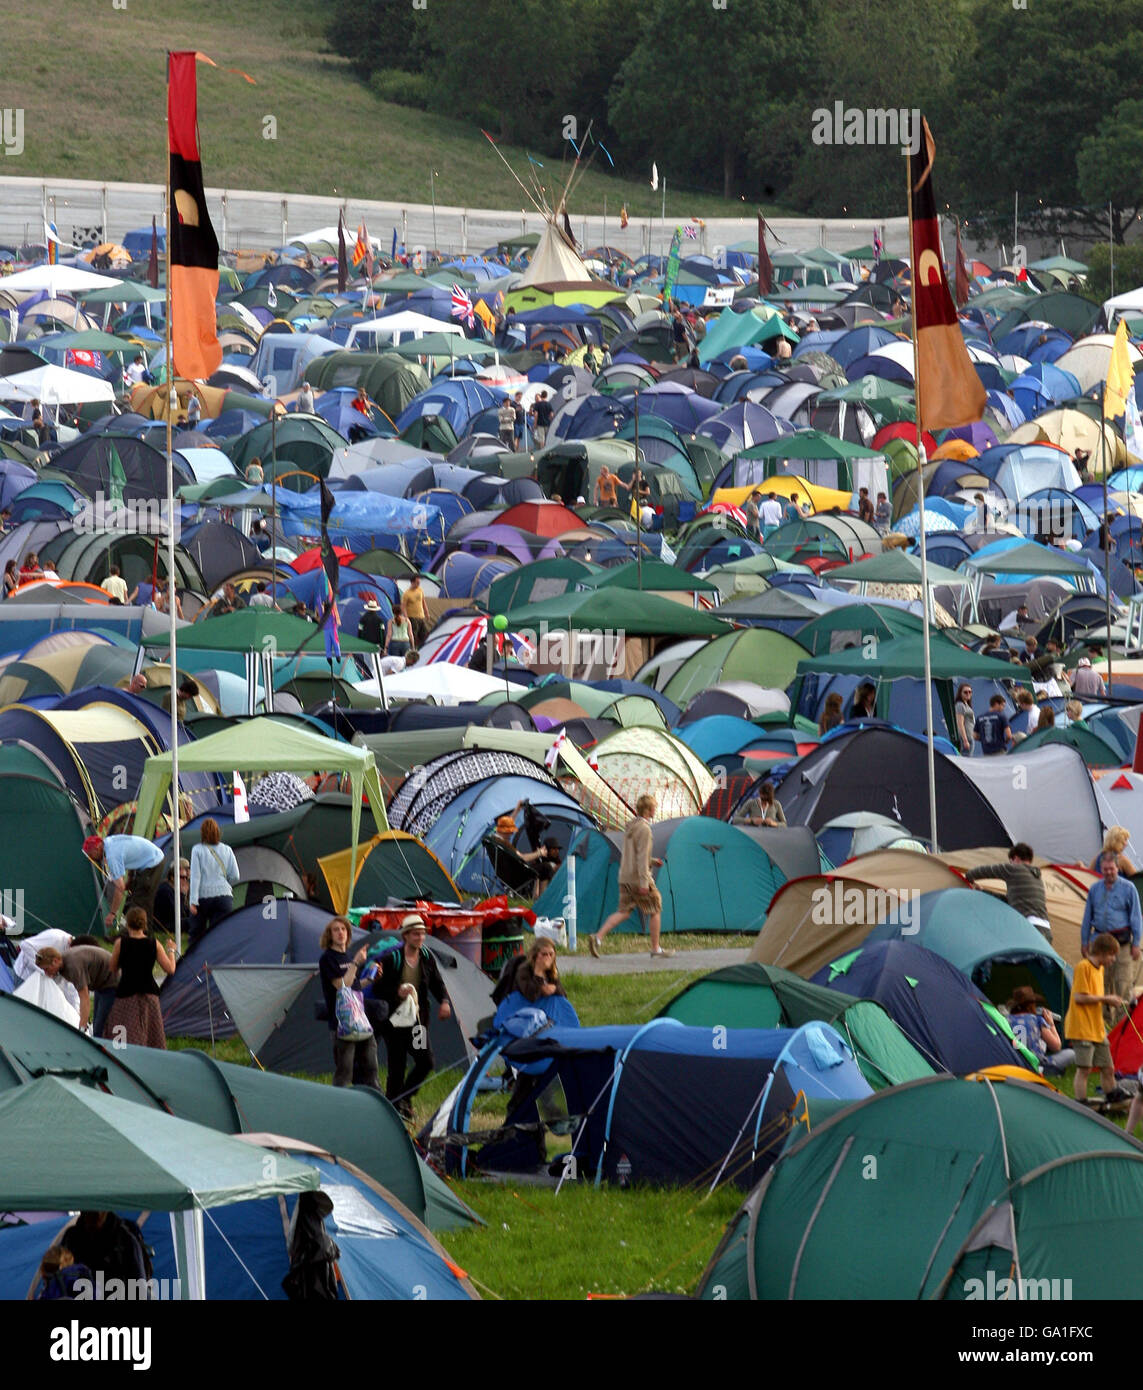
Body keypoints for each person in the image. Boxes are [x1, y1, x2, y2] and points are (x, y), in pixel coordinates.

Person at [367, 913, 452, 1118]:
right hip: (393, 1022)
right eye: (416, 934)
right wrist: (396, 991)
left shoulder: (426, 956)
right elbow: (377, 988)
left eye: (422, 934)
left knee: (425, 1061)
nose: (420, 938)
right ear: (406, 936)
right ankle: (394, 1109)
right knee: (397, 1065)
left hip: (417, 1021)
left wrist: (445, 1002)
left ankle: (404, 1098)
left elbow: (437, 982)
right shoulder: (391, 958)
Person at [589, 794, 674, 959]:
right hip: (638, 878)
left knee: (624, 911)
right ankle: (655, 948)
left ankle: (598, 937)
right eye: (654, 807)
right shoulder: (645, 829)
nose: (655, 809)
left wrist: (652, 861)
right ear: (649, 809)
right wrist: (644, 882)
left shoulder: (630, 826)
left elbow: (633, 854)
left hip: (625, 876)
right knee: (655, 908)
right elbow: (641, 857)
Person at [1065, 931, 1129, 1106]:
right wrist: (1106, 999)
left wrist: (1113, 1000)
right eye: (1112, 955)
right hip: (1082, 1027)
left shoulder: (1100, 970)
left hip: (1096, 1028)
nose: (1113, 960)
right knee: (1084, 1069)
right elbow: (1079, 997)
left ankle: (1112, 1095)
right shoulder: (1083, 967)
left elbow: (1095, 996)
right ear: (1102, 952)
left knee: (1108, 1067)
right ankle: (1081, 1101)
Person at [319, 915, 381, 1090]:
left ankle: (375, 1102)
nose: (341, 933)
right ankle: (340, 1107)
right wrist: (356, 962)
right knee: (345, 1072)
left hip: (360, 1020)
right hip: (342, 1024)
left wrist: (370, 979)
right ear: (329, 935)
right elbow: (341, 986)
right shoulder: (328, 959)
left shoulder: (347, 956)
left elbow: (354, 986)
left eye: (344, 929)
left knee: (371, 1066)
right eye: (336, 930)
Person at [1081, 851, 1142, 1027]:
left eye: (1112, 869)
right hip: (1099, 943)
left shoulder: (1129, 888)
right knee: (1100, 984)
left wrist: (1136, 943)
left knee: (1123, 984)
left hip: (1122, 945)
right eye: (1105, 869)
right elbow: (1087, 917)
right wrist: (1085, 942)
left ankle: (1121, 1027)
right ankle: (1104, 1025)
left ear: (1117, 868)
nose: (1108, 872)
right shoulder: (1095, 889)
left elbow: (1136, 917)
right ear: (1101, 868)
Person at [103, 907, 176, 1048]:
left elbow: (112, 968)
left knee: (123, 1033)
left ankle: (122, 1058)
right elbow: (170, 969)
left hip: (126, 992)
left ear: (127, 923)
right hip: (149, 994)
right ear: (144, 924)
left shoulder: (121, 943)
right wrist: (171, 951)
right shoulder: (154, 943)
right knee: (151, 1033)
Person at [963, 843, 1051, 940]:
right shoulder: (1037, 878)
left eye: (1011, 861)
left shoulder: (1013, 869)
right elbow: (1009, 901)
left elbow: (986, 871)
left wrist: (968, 877)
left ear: (1016, 858)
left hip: (1028, 927)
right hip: (1046, 931)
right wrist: (984, 891)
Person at [83, 834, 164, 928]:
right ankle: (145, 933)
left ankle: (129, 935)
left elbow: (120, 888)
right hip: (148, 860)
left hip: (153, 862)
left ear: (96, 848)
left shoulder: (112, 856)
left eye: (90, 855)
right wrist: (130, 880)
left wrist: (112, 913)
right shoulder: (109, 842)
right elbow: (131, 857)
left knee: (139, 902)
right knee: (142, 900)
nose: (91, 859)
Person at [48, 941, 120, 1034]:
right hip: (100, 983)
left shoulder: (73, 967)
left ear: (55, 961)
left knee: (101, 1025)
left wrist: (82, 1028)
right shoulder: (62, 962)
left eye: (47, 969)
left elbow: (85, 997)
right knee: (97, 1022)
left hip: (112, 982)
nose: (46, 973)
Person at [188, 818, 239, 944]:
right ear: (218, 832)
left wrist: (193, 901)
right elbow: (236, 876)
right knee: (220, 935)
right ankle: (218, 961)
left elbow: (195, 876)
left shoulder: (197, 850)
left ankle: (195, 960)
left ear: (202, 833)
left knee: (197, 935)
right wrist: (224, 884)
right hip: (224, 897)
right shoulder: (227, 849)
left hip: (203, 898)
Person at [1006, 984, 1074, 1077]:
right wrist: (1051, 1024)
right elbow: (1056, 1046)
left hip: (1013, 1065)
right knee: (1071, 1053)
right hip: (1037, 1066)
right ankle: (1049, 1072)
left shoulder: (1006, 1020)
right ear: (1031, 1004)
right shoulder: (1037, 1020)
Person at [513, 937, 567, 1002]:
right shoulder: (524, 970)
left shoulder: (551, 971)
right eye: (544, 954)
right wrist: (538, 972)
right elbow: (531, 996)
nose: (548, 958)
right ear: (535, 955)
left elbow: (564, 996)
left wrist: (555, 989)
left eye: (551, 954)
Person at [152, 859, 190, 938]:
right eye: (182, 877)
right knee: (192, 921)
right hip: (164, 926)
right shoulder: (165, 890)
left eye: (186, 878)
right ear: (172, 877)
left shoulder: (173, 889)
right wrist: (182, 895)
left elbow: (185, 911)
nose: (185, 880)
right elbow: (178, 913)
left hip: (171, 921)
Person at [402, 574, 429, 649]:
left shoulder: (420, 590)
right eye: (417, 582)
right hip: (412, 617)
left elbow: (423, 601)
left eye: (419, 582)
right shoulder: (407, 594)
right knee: (413, 635)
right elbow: (403, 607)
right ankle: (412, 649)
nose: (418, 584)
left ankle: (423, 648)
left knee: (424, 635)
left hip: (421, 616)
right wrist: (406, 617)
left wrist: (426, 612)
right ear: (412, 582)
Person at [954, 684, 975, 757]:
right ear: (960, 693)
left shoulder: (966, 704)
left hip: (970, 736)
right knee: (966, 759)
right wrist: (965, 740)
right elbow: (960, 723)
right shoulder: (960, 705)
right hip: (966, 738)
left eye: (970, 692)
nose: (968, 694)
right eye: (965, 692)